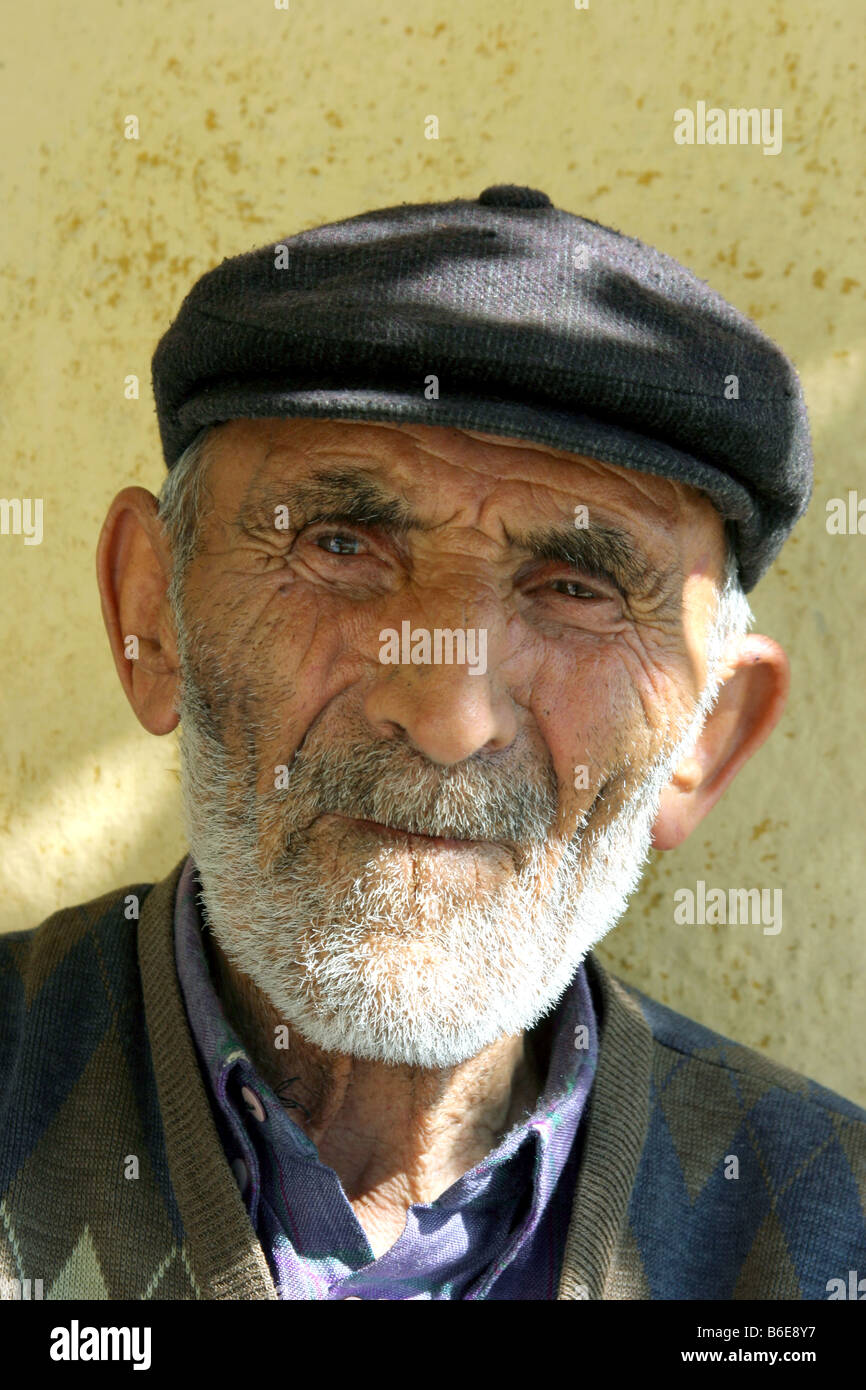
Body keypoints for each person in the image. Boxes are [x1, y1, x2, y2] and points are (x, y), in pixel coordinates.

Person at [2, 185, 863, 1301]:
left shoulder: (826, 1227)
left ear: (707, 734)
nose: (450, 716)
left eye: (575, 585)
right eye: (342, 541)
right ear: (152, 616)